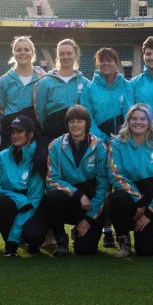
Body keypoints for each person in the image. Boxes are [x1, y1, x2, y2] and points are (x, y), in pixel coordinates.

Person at [37, 105, 108, 256]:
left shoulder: (99, 146)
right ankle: (61, 240)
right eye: (72, 121)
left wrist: (89, 219)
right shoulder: (55, 145)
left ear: (87, 123)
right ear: (67, 124)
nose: (75, 125)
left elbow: (103, 186)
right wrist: (78, 195)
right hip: (68, 200)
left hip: (90, 205)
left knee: (85, 251)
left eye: (80, 121)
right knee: (53, 196)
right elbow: (51, 180)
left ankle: (80, 230)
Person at [0, 115, 47, 257]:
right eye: (12, 132)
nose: (14, 135)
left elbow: (34, 199)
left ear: (30, 134)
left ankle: (18, 240)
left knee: (34, 237)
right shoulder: (1, 157)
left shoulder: (39, 157)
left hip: (32, 207)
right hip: (15, 204)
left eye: (19, 131)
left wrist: (14, 237)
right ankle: (11, 240)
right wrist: (19, 198)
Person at [106, 103, 153, 257]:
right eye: (133, 119)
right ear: (128, 121)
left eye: (143, 119)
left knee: (147, 251)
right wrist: (139, 201)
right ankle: (124, 243)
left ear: (150, 122)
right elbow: (115, 175)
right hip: (129, 201)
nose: (138, 122)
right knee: (116, 198)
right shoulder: (116, 144)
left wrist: (149, 213)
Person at [33, 38, 90, 144]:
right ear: (58, 56)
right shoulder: (44, 82)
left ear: (76, 55)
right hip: (52, 136)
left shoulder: (85, 83)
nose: (65, 57)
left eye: (69, 53)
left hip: (77, 135)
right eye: (62, 54)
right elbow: (40, 112)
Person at [0, 36, 47, 146]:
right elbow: (1, 108)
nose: (22, 53)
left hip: (35, 133)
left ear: (33, 53)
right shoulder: (4, 80)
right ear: (13, 53)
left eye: (26, 50)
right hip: (11, 132)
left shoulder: (44, 79)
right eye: (18, 50)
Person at [81, 47, 134, 144]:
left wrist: (124, 136)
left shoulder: (127, 85)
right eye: (102, 61)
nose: (106, 63)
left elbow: (130, 113)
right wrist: (104, 140)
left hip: (125, 141)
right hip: (99, 143)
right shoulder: (89, 89)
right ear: (97, 64)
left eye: (109, 60)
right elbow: (88, 119)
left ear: (116, 63)